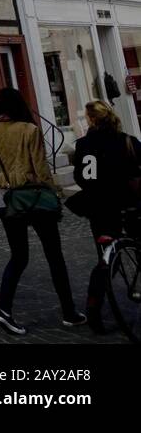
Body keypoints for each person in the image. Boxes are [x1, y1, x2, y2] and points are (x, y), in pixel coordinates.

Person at [0, 87, 85, 335]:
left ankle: (4, 310)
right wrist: (54, 193)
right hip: (35, 197)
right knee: (54, 255)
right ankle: (69, 312)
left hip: (7, 199)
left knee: (18, 256)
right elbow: (41, 170)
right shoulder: (30, 130)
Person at [70, 100, 141, 329]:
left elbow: (83, 178)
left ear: (91, 120)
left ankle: (93, 308)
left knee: (106, 260)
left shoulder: (84, 145)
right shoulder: (127, 141)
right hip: (129, 205)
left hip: (100, 208)